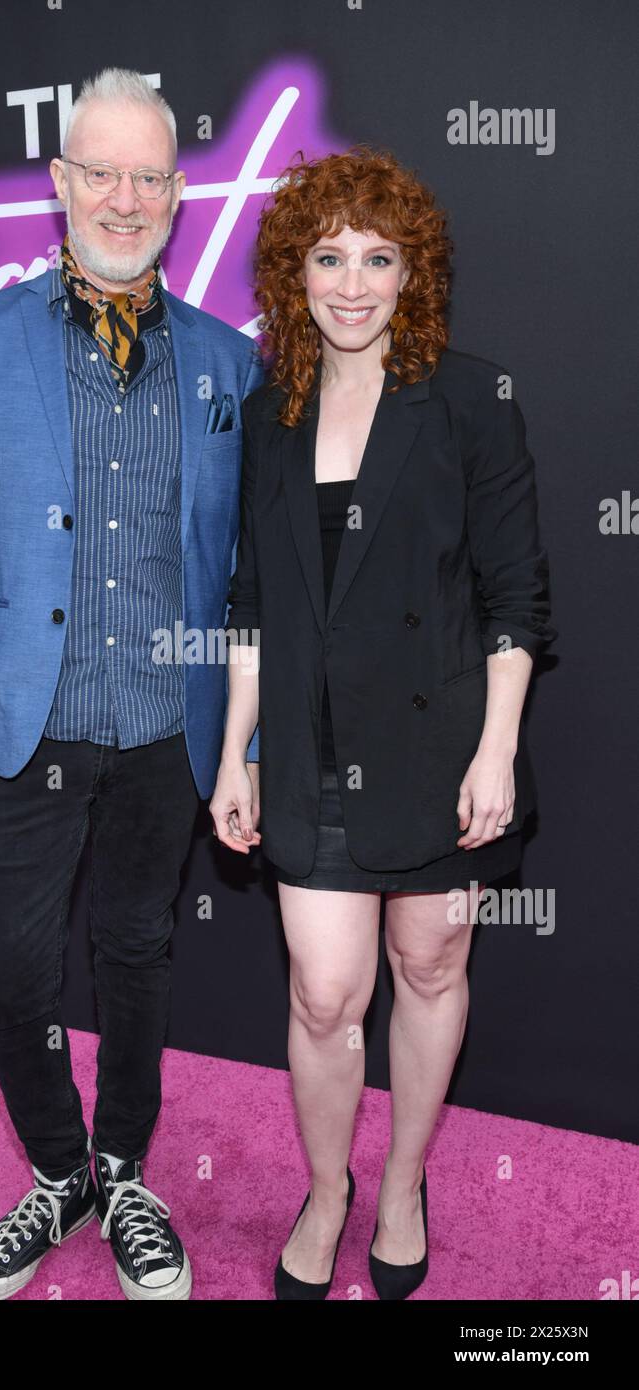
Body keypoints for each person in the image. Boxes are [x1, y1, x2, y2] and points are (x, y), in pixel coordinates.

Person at [0, 67, 262, 1301]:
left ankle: (124, 1166)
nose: (122, 196)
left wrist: (245, 742)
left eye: (147, 175)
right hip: (15, 720)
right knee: (10, 970)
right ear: (56, 185)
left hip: (166, 728)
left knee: (140, 954)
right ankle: (59, 1175)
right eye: (98, 170)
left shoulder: (225, 365)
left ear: (177, 193)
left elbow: (242, 573)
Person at [211, 146, 556, 1300]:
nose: (350, 282)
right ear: (290, 271)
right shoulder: (268, 413)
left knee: (430, 957)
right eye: (326, 256)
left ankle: (402, 1178)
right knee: (322, 989)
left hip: (441, 742)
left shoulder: (470, 398)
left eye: (377, 256)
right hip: (306, 746)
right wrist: (234, 752)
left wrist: (496, 746)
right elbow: (250, 600)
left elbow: (516, 599)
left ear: (413, 271)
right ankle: (326, 1184)